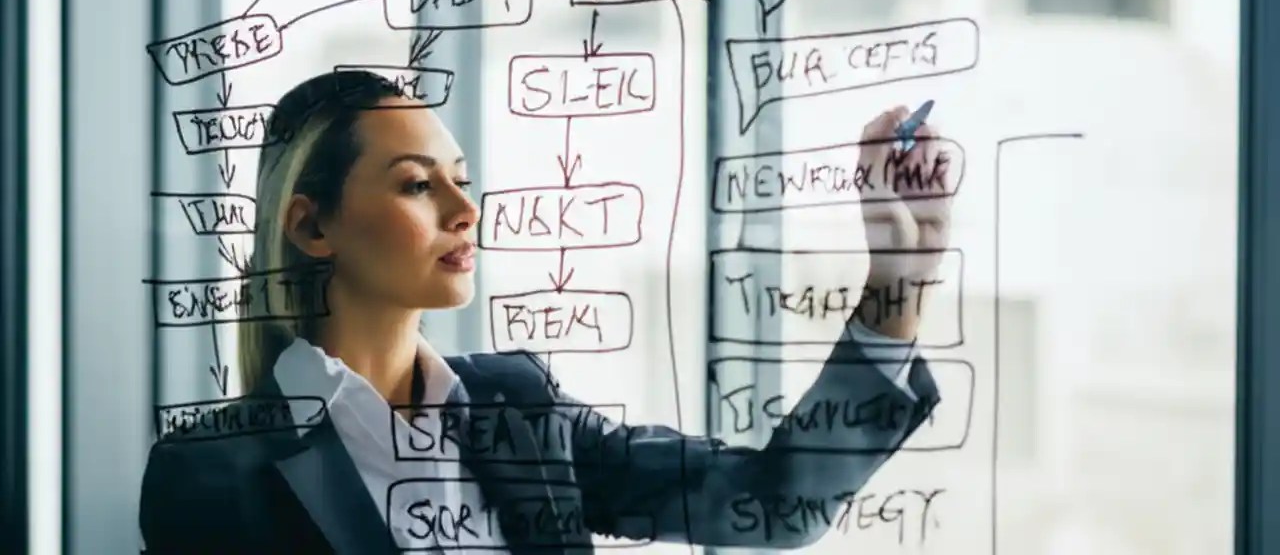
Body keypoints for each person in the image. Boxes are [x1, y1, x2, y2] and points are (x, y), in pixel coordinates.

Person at [138, 69, 951, 554]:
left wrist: (898, 280)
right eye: (420, 184)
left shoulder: (519, 406)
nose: (467, 208)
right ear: (313, 224)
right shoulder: (207, 472)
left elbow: (775, 503)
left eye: (461, 177)